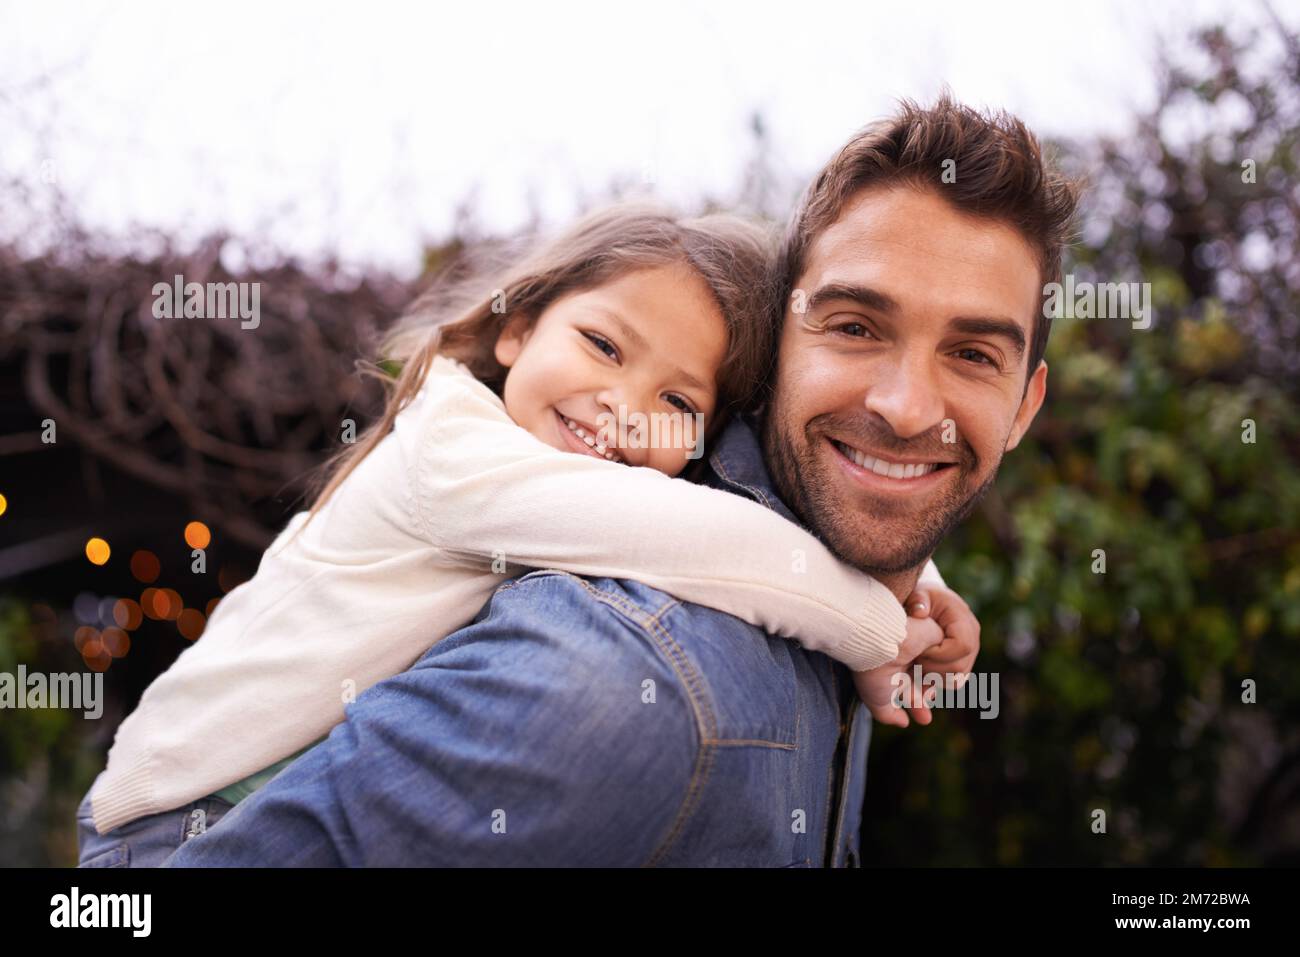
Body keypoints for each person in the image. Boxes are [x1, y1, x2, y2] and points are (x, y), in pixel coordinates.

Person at [156, 94, 1076, 867]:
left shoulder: (793, 558)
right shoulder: (622, 676)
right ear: (778, 359)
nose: (909, 407)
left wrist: (903, 594)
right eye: (854, 327)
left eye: (972, 352)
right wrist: (883, 626)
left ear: (1026, 404)